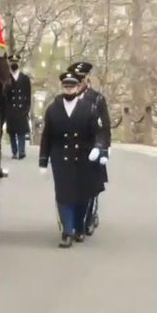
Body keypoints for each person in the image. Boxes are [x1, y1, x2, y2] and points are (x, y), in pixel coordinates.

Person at [38, 71, 107, 248]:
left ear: (78, 87)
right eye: (66, 87)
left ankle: (78, 227)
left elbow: (99, 132)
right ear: (63, 88)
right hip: (61, 157)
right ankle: (67, 232)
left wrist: (98, 149)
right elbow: (47, 137)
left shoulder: (88, 108)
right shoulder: (53, 109)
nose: (69, 90)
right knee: (64, 195)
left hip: (84, 157)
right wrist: (43, 162)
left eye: (72, 87)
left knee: (82, 196)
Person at [68, 61, 111, 234]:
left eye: (81, 80)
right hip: (72, 148)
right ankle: (74, 219)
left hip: (92, 148)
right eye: (75, 80)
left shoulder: (97, 99)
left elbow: (105, 126)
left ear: (87, 79)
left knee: (92, 186)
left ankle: (89, 216)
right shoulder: (67, 98)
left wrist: (103, 149)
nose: (78, 84)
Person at [6, 53, 32, 159]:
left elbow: (28, 95)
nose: (14, 64)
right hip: (10, 109)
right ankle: (14, 151)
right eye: (12, 62)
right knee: (12, 132)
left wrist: (27, 109)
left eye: (16, 62)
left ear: (19, 63)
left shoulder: (25, 78)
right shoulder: (7, 78)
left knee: (21, 132)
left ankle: (22, 151)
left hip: (21, 109)